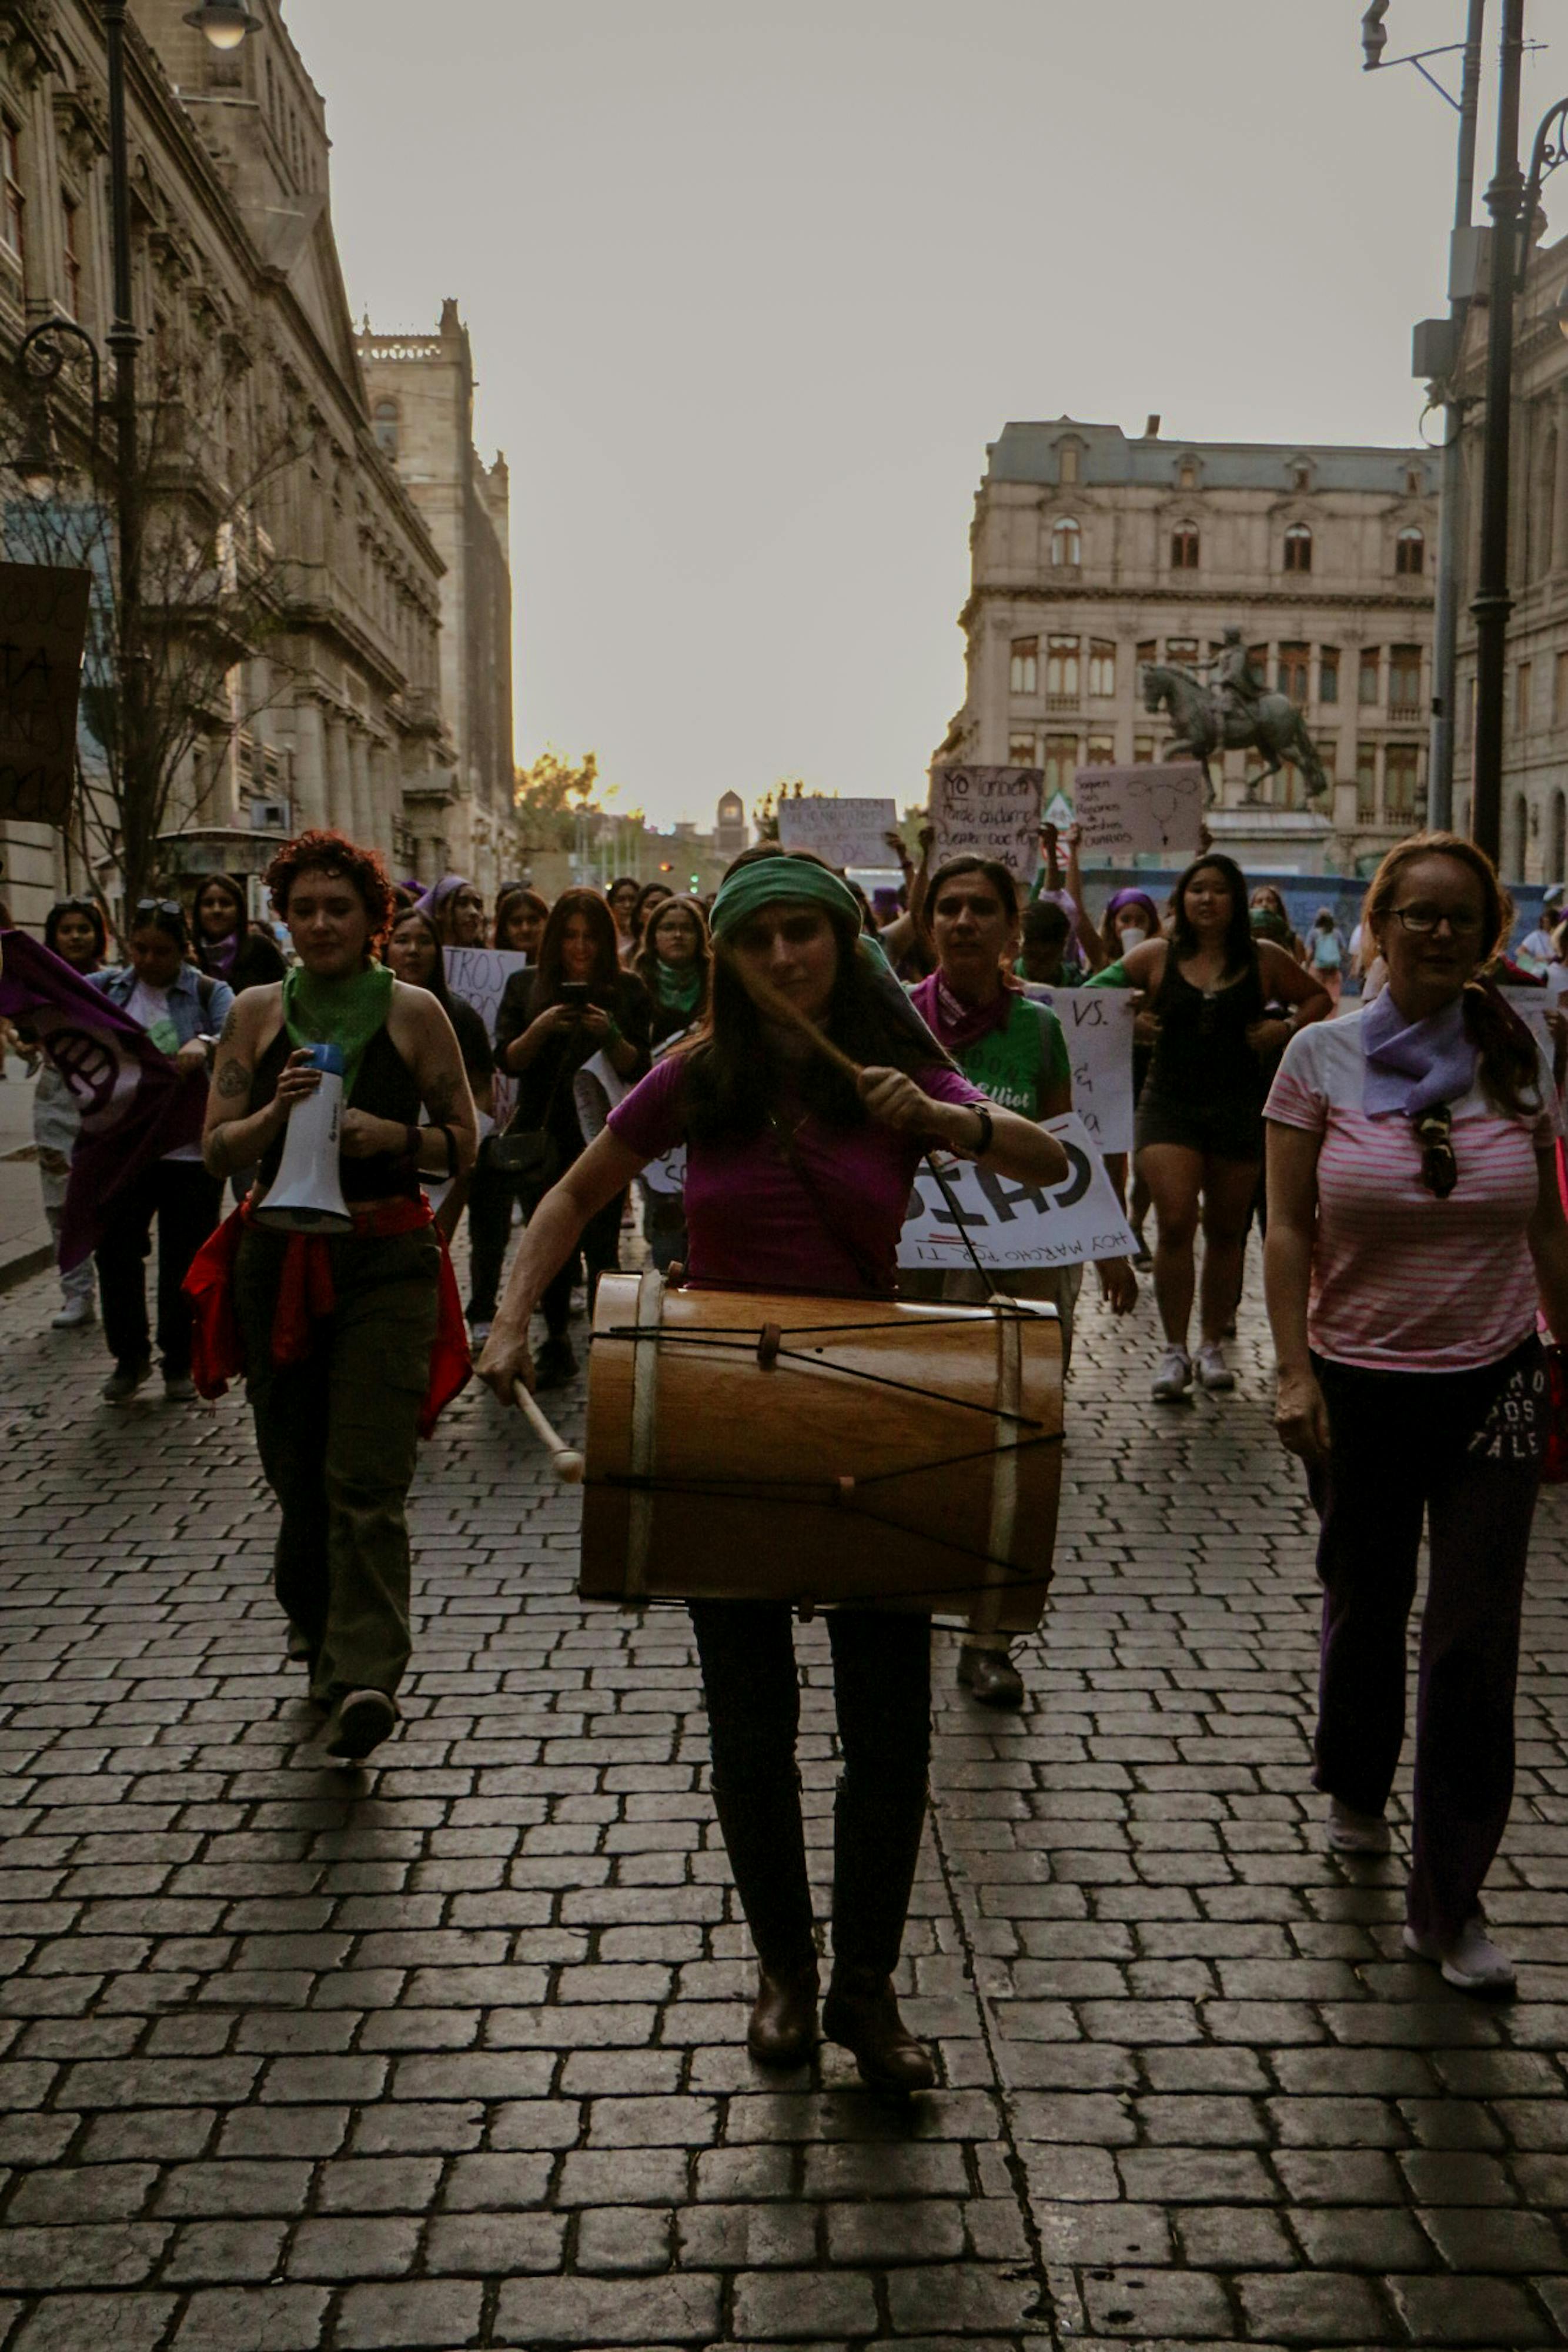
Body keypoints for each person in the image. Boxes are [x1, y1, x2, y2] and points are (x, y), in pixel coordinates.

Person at [478, 850, 1067, 2087]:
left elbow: (1045, 1163)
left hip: (877, 1417)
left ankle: (866, 1988)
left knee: (888, 1731)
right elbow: (577, 1194)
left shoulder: (890, 1069)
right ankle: (785, 1975)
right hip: (724, 1407)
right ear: (729, 959)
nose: (786, 956)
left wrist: (950, 1119)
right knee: (750, 1724)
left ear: (843, 945)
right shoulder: (697, 1073)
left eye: (806, 933)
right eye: (760, 940)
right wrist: (511, 1312)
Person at [1263, 833, 1568, 1997]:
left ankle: (1448, 1900)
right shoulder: (1315, 1057)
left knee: (1473, 1636)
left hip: (1493, 1375)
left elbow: (1542, 1220)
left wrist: (1563, 1339)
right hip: (1355, 1378)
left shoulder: (1520, 1049)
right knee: (1365, 1589)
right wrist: (1290, 1373)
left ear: (1489, 932)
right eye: (1417, 914)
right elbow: (1286, 1226)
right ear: (1376, 926)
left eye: (1460, 916)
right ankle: (1354, 1775)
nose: (1437, 932)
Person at [199, 830, 477, 1763]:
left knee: (365, 1478)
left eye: (339, 908)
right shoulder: (251, 1012)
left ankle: (363, 1676)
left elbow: (461, 1142)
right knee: (297, 1476)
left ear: (372, 918)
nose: (319, 924)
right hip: (274, 1260)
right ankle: (315, 1625)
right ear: (284, 915)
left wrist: (385, 1134)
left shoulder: (415, 1013)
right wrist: (275, 1114)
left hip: (383, 1261)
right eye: (303, 908)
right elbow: (215, 1149)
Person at [909, 854, 1138, 1707]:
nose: (964, 921)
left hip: (1024, 1265)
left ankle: (988, 1636)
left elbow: (1064, 1142)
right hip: (921, 1266)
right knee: (925, 1438)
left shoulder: (1040, 1030)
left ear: (1012, 928)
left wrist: (1109, 1242)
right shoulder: (897, 1020)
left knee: (1014, 1440)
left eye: (982, 909)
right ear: (928, 924)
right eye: (949, 907)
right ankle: (908, 1605)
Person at [1117, 853, 1330, 1401]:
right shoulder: (1156, 955)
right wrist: (1130, 1016)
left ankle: (1210, 1342)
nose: (1206, 899)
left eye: (1217, 890)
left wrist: (1283, 1027)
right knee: (1175, 1219)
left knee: (1226, 1230)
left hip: (1240, 1104)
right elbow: (1091, 994)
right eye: (1196, 890)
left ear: (1235, 900)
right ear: (1181, 900)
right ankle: (1173, 1349)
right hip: (1169, 1104)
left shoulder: (1262, 958)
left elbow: (1317, 997)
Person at [488, 890, 651, 1385]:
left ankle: (607, 1342)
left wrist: (610, 1033)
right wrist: (540, 1028)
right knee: (550, 1239)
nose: (580, 948)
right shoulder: (523, 985)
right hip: (544, 1127)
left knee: (601, 1244)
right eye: (571, 937)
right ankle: (555, 1336)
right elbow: (508, 1060)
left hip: (601, 1130)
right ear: (555, 939)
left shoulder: (628, 989)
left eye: (591, 937)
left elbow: (639, 1066)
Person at [90, 900, 233, 1405]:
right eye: (140, 949)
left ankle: (178, 1359)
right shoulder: (106, 988)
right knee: (116, 1252)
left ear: (183, 950)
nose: (149, 960)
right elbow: (59, 1014)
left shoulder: (206, 991)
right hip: (124, 1149)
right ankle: (129, 1358)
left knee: (184, 1257)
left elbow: (234, 1030)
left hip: (189, 1150)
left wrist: (204, 1043)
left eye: (162, 951)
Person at [385, 907, 494, 1244]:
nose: (413, 951)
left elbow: (481, 1088)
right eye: (402, 941)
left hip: (445, 1166)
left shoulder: (462, 1017)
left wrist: (463, 1149)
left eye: (424, 941)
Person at [28, 898, 108, 1329]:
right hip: (56, 1101)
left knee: (106, 1201)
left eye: (84, 929)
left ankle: (113, 1285)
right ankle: (77, 1293)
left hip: (106, 1097)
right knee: (61, 1204)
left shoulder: (116, 984)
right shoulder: (34, 982)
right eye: (67, 930)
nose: (76, 937)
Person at [193, 872, 288, 994]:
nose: (217, 910)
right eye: (208, 903)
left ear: (240, 911)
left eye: (225, 903)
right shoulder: (185, 955)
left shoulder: (261, 949)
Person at [416, 874, 486, 948]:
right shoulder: (421, 956)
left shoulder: (489, 957)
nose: (474, 912)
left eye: (478, 906)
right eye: (462, 903)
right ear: (440, 911)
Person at [493, 884, 549, 960]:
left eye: (533, 921)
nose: (525, 929)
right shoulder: (491, 968)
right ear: (505, 930)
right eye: (516, 922)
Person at [1308, 907, 1346, 1008]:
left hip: (1318, 968)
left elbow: (1310, 952)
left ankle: (1318, 1018)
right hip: (1333, 969)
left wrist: (1307, 965)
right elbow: (1342, 950)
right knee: (1333, 997)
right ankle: (1331, 1019)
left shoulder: (1314, 933)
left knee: (1317, 995)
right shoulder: (1336, 933)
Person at [606, 875, 641, 961]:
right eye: (621, 900)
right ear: (610, 905)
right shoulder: (604, 938)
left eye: (633, 900)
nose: (627, 906)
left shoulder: (646, 939)